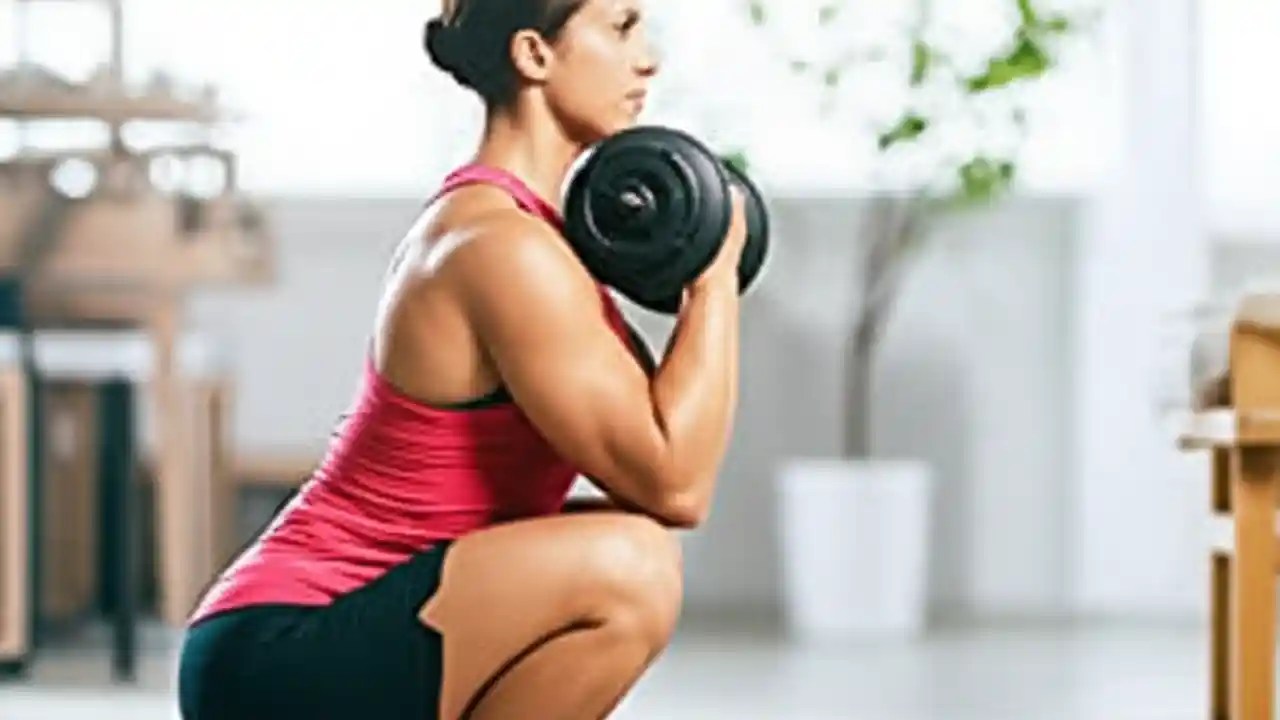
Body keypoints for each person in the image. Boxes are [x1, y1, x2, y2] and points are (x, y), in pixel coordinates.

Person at [177, 0, 747, 718]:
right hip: (286, 648)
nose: (649, 58)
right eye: (622, 27)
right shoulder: (502, 248)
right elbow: (676, 484)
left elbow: (650, 468)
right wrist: (717, 278)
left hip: (320, 632)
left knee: (624, 545)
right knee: (631, 569)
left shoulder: (532, 232)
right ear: (534, 54)